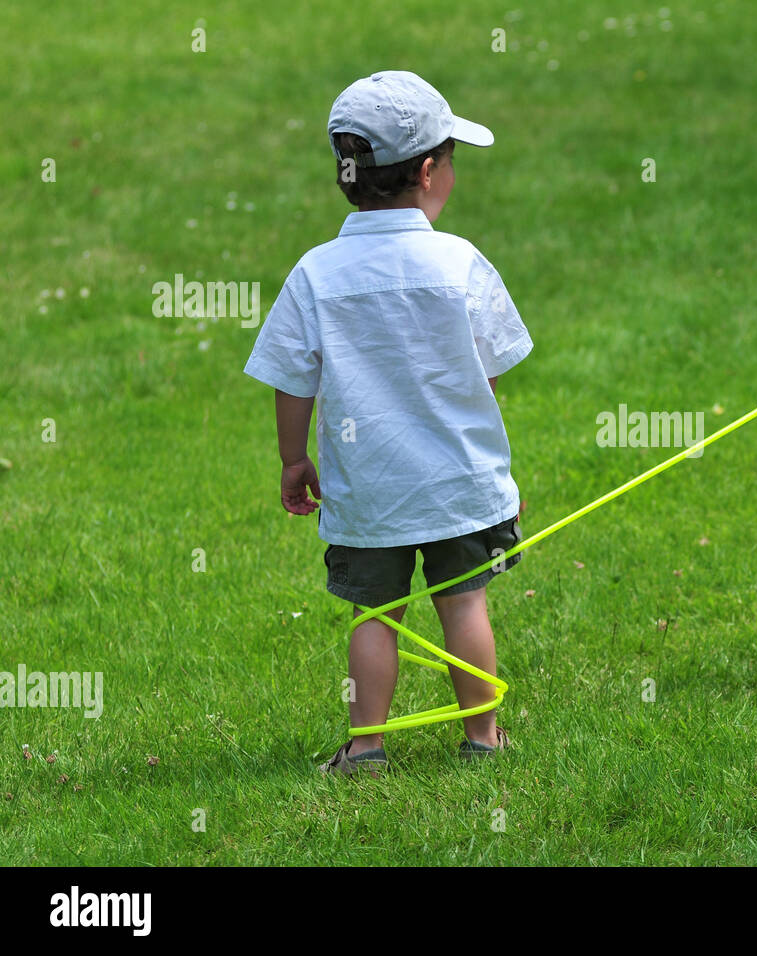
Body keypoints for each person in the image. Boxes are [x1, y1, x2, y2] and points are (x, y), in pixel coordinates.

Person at [243, 71, 532, 774]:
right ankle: (482, 740)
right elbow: (488, 372)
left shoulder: (316, 272)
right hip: (460, 483)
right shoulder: (459, 261)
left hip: (368, 490)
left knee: (374, 616)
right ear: (430, 170)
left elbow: (292, 380)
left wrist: (293, 459)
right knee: (465, 606)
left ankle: (367, 747)